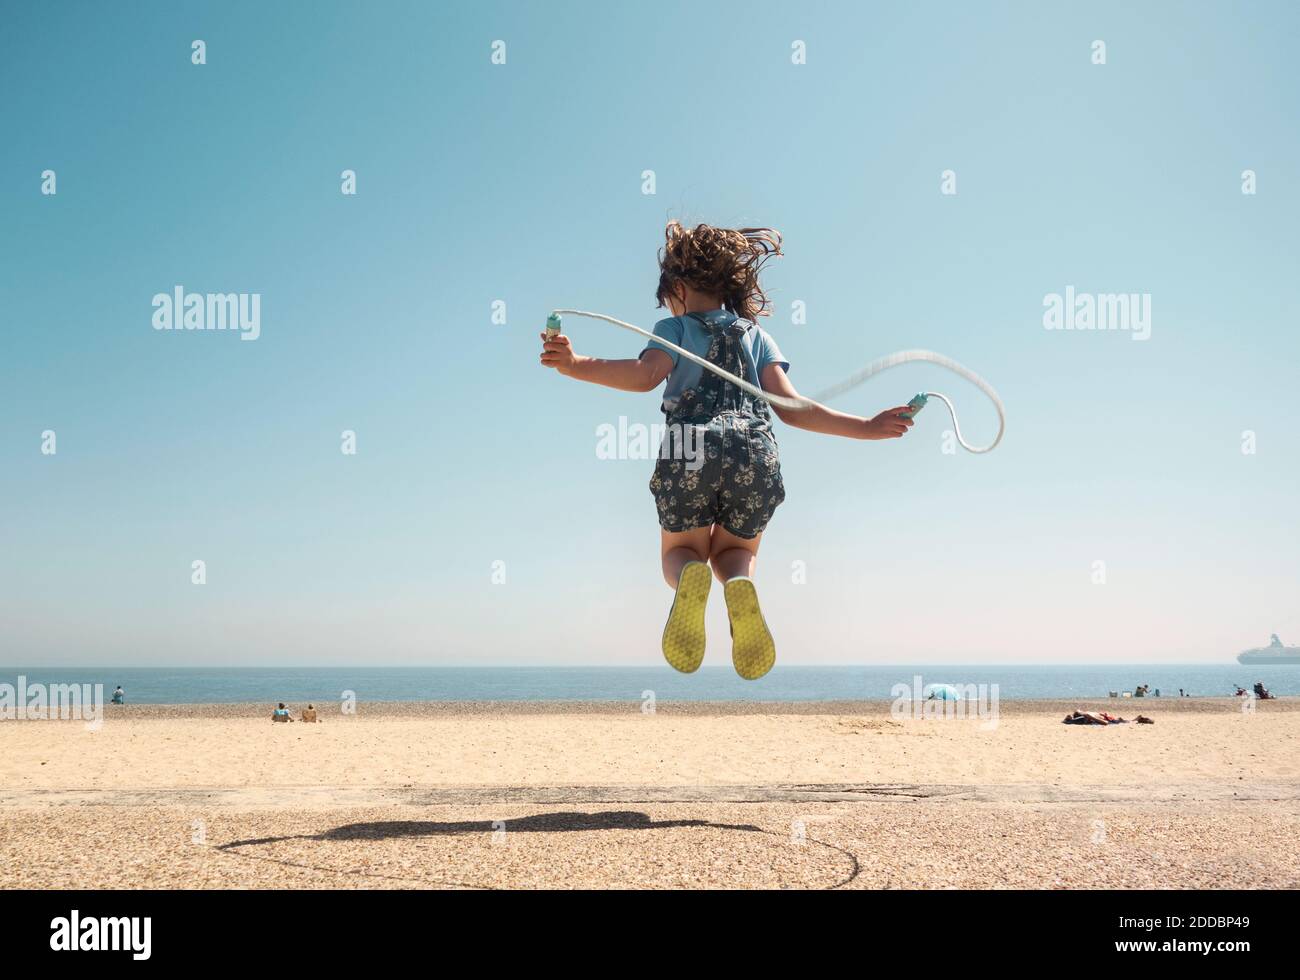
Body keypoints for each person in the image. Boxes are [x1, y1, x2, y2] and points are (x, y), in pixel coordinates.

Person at [538, 222, 915, 679]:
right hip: (753, 452)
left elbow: (642, 377)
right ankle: (738, 582)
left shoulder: (673, 327)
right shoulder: (755, 336)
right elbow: (792, 409)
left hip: (689, 448)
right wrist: (867, 426)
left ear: (676, 289)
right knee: (736, 551)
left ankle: (687, 580)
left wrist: (575, 365)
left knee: (679, 553)